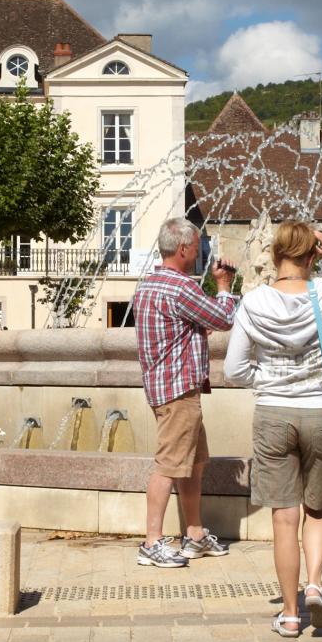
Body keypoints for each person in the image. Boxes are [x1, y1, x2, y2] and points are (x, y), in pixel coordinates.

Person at [225, 221, 322, 637]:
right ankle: (315, 584)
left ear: (275, 254)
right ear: (312, 255)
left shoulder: (253, 302)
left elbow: (234, 369)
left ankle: (291, 614)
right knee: (317, 510)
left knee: (284, 517)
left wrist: (268, 380)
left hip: (273, 414)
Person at [129, 217, 237, 568]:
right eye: (196, 246)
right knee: (169, 466)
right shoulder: (181, 288)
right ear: (183, 248)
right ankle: (152, 542)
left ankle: (194, 534)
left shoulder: (147, 286)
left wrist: (196, 332)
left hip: (164, 387)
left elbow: (175, 330)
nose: (199, 251)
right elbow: (223, 318)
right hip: (179, 391)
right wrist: (224, 285)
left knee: (193, 463)